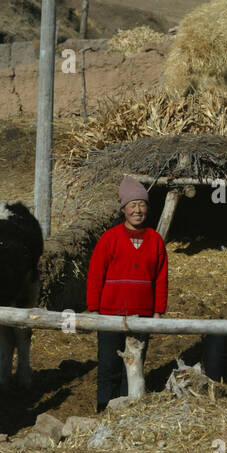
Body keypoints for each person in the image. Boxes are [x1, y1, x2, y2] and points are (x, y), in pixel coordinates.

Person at [87, 175, 168, 413]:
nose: (138, 210)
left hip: (141, 315)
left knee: (133, 365)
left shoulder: (155, 240)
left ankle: (128, 412)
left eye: (142, 205)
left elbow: (161, 278)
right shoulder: (110, 238)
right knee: (108, 365)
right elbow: (95, 274)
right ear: (123, 209)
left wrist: (158, 311)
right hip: (110, 314)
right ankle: (104, 410)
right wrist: (93, 309)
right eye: (132, 205)